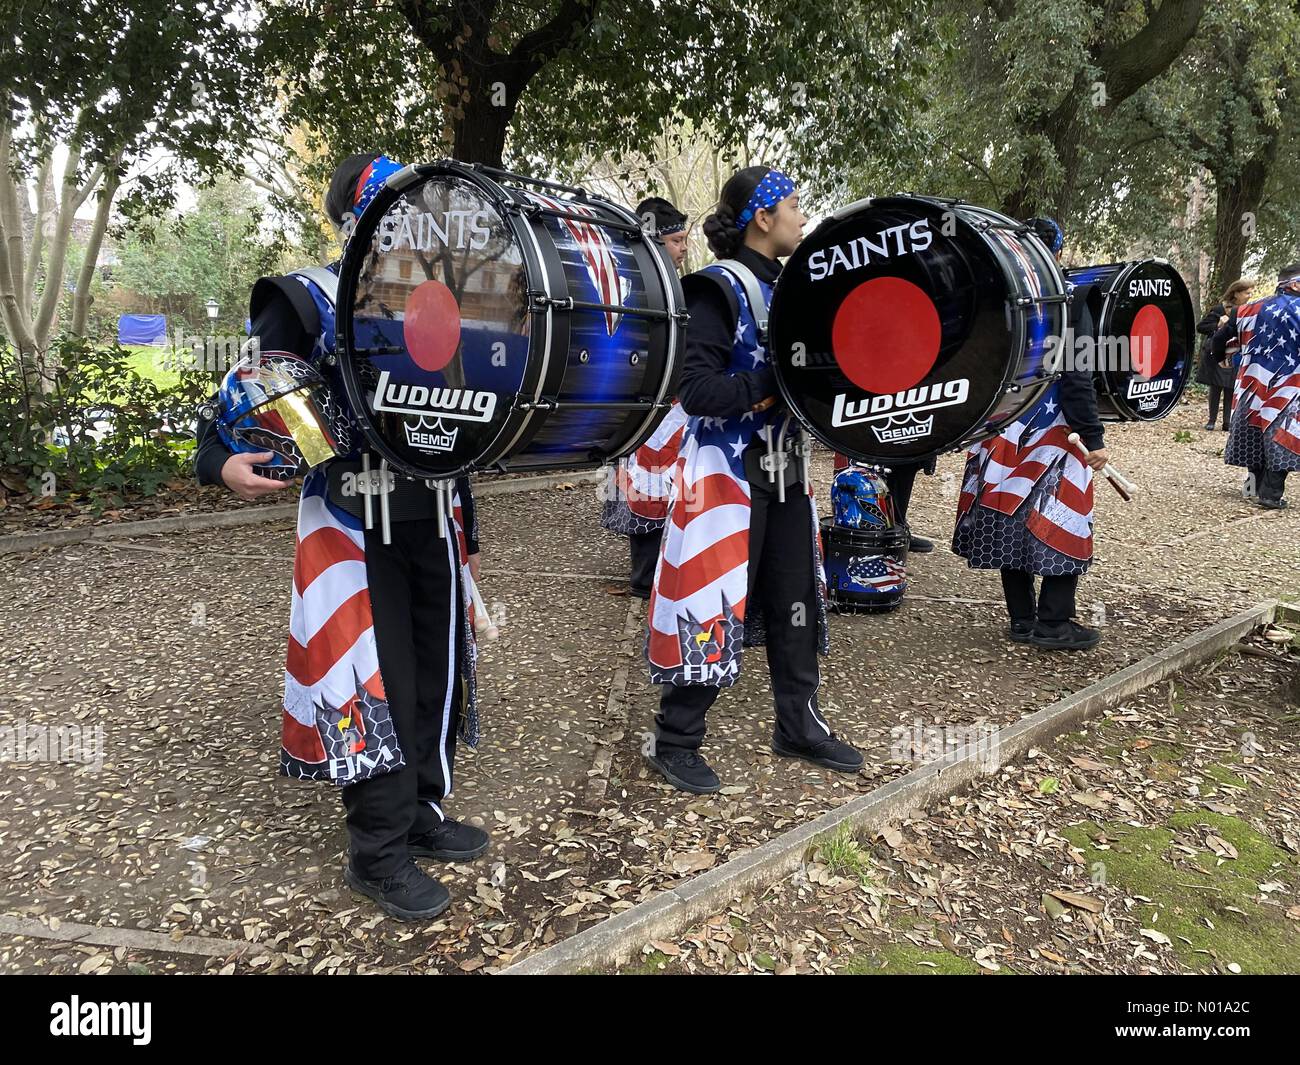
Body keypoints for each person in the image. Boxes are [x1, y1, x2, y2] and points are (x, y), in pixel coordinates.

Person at [194, 152, 488, 922]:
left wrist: (471, 529)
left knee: (435, 670)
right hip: (354, 523)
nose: (415, 219)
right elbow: (240, 397)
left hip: (432, 517)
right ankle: (377, 851)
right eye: (396, 204)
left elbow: (465, 428)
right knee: (376, 678)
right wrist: (221, 463)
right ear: (360, 214)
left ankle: (422, 810)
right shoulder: (306, 296)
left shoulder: (444, 298)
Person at [644, 165, 863, 794]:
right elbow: (696, 390)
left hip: (787, 472)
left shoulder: (796, 287)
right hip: (726, 477)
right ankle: (674, 737)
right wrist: (777, 382)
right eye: (794, 204)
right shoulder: (716, 289)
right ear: (762, 218)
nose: (802, 216)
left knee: (797, 601)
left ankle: (797, 723)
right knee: (711, 604)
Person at [952, 217, 1110, 651]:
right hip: (1054, 430)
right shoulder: (1071, 296)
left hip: (998, 424)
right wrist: (1093, 437)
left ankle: (1022, 619)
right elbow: (1077, 373)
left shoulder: (993, 290)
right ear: (1056, 252)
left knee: (1007, 514)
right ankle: (1054, 622)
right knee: (1063, 516)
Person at [601, 196, 690, 597]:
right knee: (647, 482)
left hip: (673, 402)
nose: (684, 248)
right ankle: (646, 576)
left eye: (685, 240)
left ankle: (665, 568)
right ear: (655, 244)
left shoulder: (679, 290)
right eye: (676, 241)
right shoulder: (634, 291)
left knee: (670, 486)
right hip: (646, 400)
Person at [1217, 261, 1300, 509]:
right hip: (1290, 384)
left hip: (1252, 383)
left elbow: (1220, 338)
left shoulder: (1247, 309)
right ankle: (1271, 494)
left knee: (1253, 430)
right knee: (1280, 435)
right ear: (1295, 284)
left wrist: (1221, 357)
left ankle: (1252, 487)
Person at [1196, 279, 1253, 430]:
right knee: (1216, 387)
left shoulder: (1247, 310)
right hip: (1218, 351)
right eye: (1247, 292)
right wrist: (1218, 325)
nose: (1250, 295)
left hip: (1236, 354)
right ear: (1236, 293)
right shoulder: (1220, 309)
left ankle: (1227, 422)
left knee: (1231, 388)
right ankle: (1211, 420)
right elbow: (1201, 327)